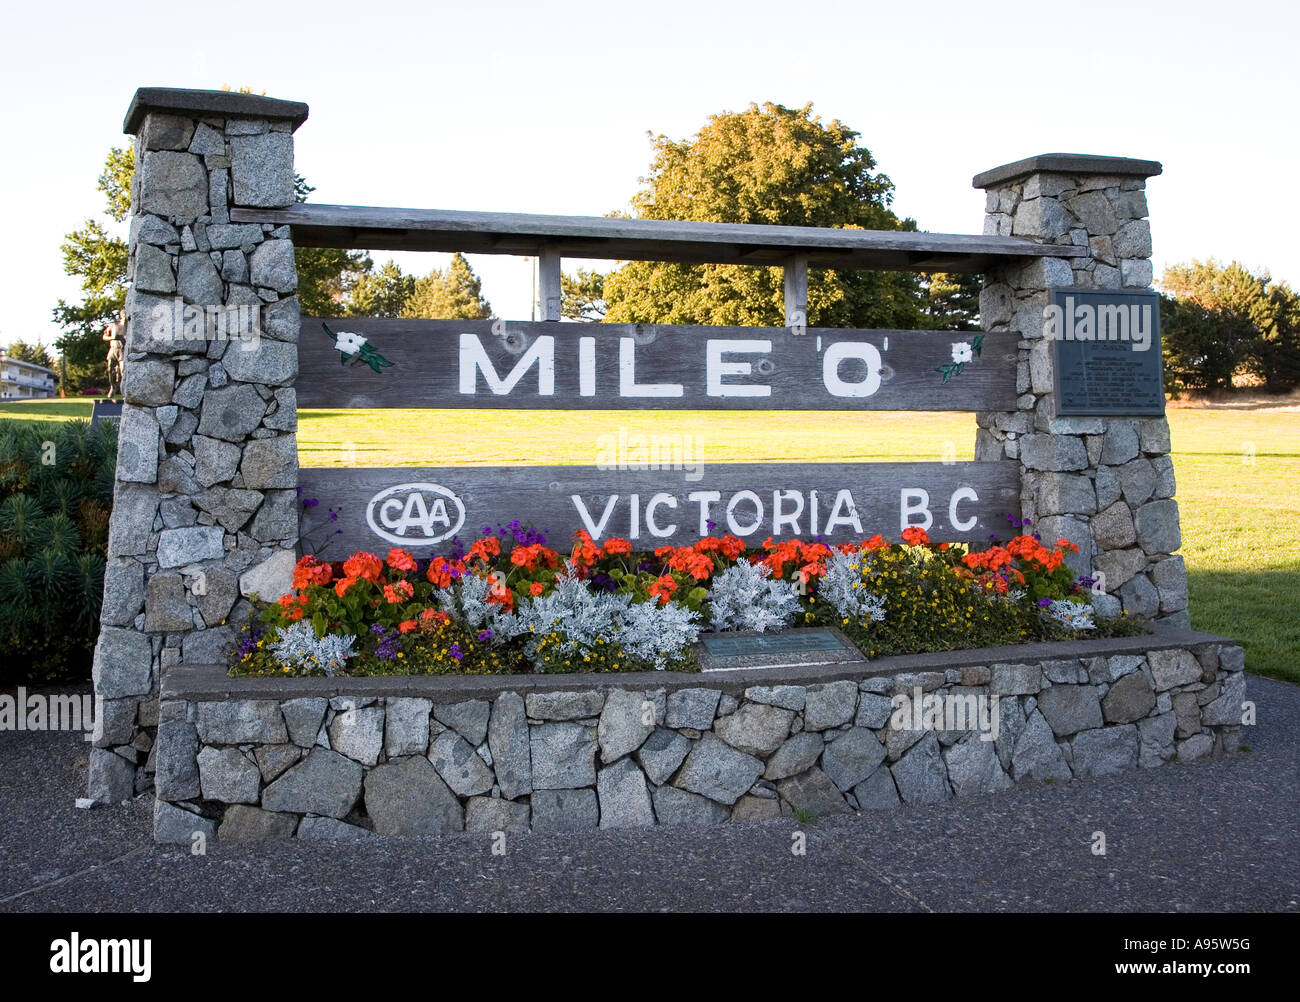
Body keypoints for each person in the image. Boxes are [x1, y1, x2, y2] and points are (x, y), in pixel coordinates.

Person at [102, 309, 126, 398]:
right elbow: (104, 336)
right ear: (121, 316)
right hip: (113, 349)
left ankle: (124, 391)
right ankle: (112, 386)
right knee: (109, 369)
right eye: (123, 315)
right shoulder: (114, 325)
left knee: (123, 371)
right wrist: (112, 337)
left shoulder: (129, 327)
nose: (125, 317)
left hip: (123, 350)